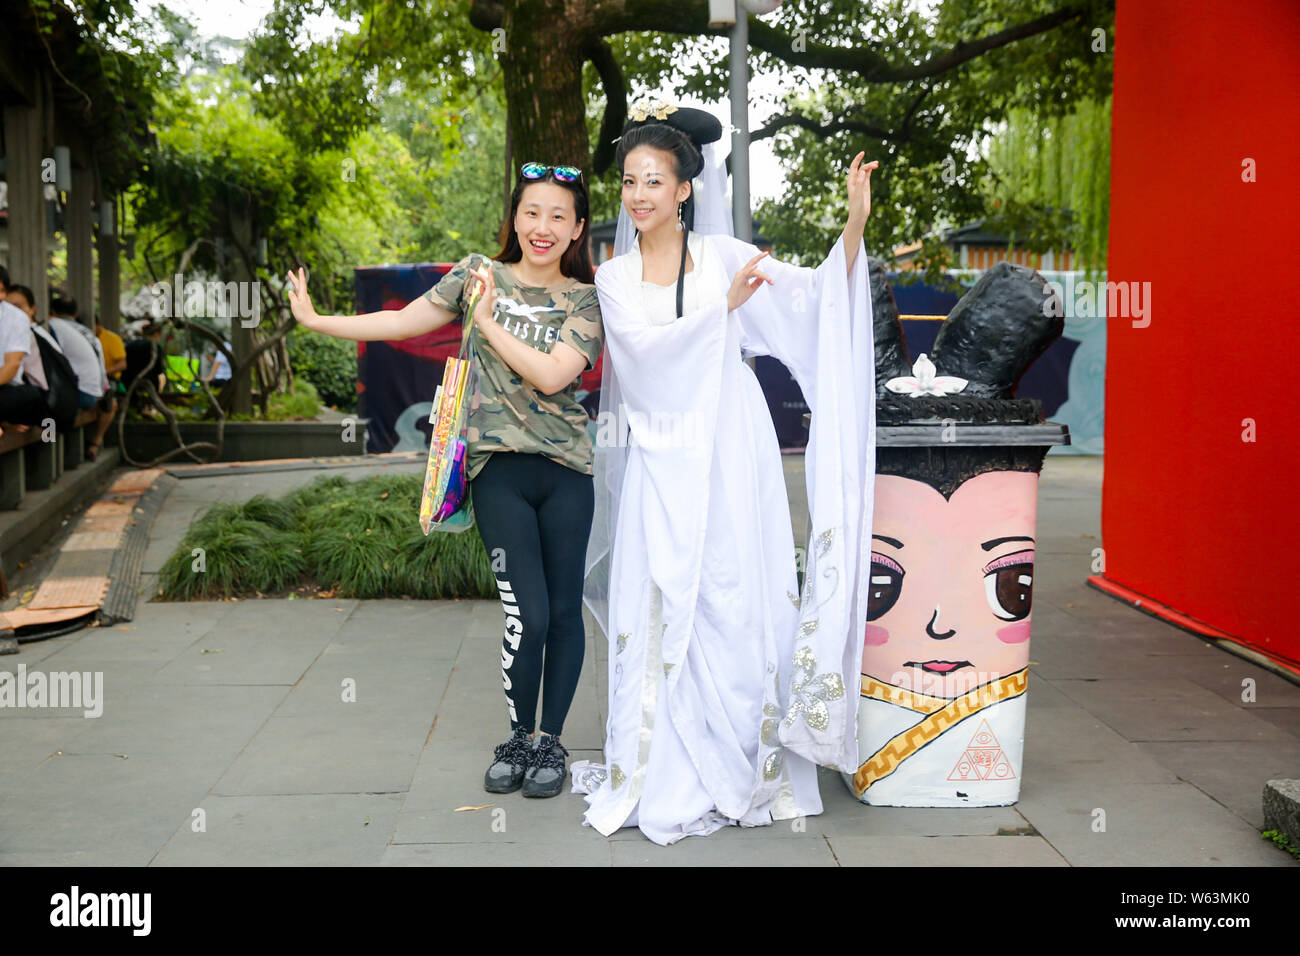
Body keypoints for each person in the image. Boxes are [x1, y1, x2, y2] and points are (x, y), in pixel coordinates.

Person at [573, 104, 879, 844]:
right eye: (628, 181)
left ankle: (749, 758)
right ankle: (658, 769)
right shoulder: (611, 275)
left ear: (684, 189)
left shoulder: (724, 255)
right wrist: (721, 314)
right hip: (660, 446)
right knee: (659, 595)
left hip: (732, 446)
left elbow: (809, 302)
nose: (638, 194)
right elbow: (643, 362)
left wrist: (854, 226)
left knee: (736, 590)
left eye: (654, 180)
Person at [288, 161, 604, 799]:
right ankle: (519, 734)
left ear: (576, 231)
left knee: (566, 611)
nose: (542, 227)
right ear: (514, 217)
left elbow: (553, 375)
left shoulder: (587, 301)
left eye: (557, 217)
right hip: (497, 472)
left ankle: (551, 744)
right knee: (528, 612)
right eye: (531, 212)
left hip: (567, 471)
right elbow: (404, 322)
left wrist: (487, 323)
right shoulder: (476, 275)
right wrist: (319, 321)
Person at [0, 267, 45, 434]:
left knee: (29, 396)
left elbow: (11, 367)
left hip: (12, 390)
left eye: (3, 291)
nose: (0, 297)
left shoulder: (16, 318)